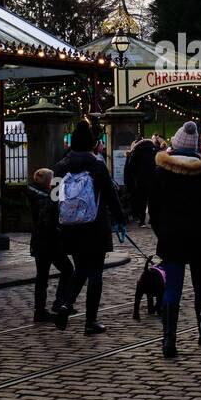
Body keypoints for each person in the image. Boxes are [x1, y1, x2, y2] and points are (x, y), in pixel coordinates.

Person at [149, 120, 201, 358]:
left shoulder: (162, 171)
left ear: (175, 142)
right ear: (194, 146)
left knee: (171, 289)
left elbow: (153, 209)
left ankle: (168, 341)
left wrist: (160, 230)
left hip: (171, 239)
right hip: (199, 240)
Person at [53, 120, 126, 334]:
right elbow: (111, 196)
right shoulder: (97, 165)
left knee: (79, 269)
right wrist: (120, 219)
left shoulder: (60, 165)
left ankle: (66, 304)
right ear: (92, 144)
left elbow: (53, 198)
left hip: (70, 228)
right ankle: (90, 322)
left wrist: (53, 224)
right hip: (95, 226)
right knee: (95, 273)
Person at [27, 167, 73, 323]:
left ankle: (40, 310)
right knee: (67, 269)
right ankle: (58, 302)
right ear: (48, 182)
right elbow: (49, 220)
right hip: (49, 241)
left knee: (42, 277)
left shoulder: (35, 194)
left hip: (40, 241)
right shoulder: (46, 198)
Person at [125, 135, 158, 226]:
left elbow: (131, 167)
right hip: (153, 178)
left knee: (141, 200)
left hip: (140, 179)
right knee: (152, 199)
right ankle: (152, 218)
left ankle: (142, 220)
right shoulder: (153, 148)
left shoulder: (136, 150)